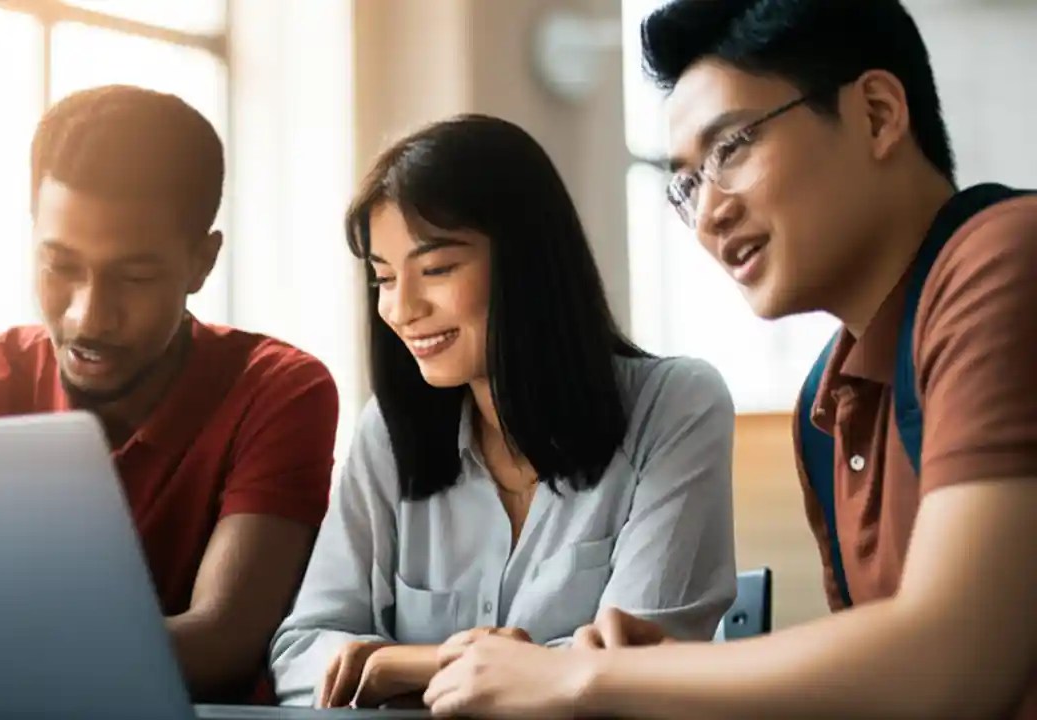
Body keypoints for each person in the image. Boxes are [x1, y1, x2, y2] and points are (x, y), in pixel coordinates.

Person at [423, 2, 1037, 718]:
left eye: (733, 147)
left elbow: (953, 666)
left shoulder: (1001, 259)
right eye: (685, 184)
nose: (708, 213)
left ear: (875, 113)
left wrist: (574, 679)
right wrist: (671, 674)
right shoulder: (827, 408)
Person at [0, 85, 340, 704]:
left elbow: (220, 641)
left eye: (134, 277)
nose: (87, 318)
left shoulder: (278, 390)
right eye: (59, 266)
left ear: (201, 263)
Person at [269, 114, 736, 709]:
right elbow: (300, 654)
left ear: (528, 264)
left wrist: (398, 670)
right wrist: (437, 661)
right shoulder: (389, 434)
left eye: (436, 269)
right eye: (384, 278)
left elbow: (630, 674)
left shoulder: (676, 406)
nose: (402, 307)